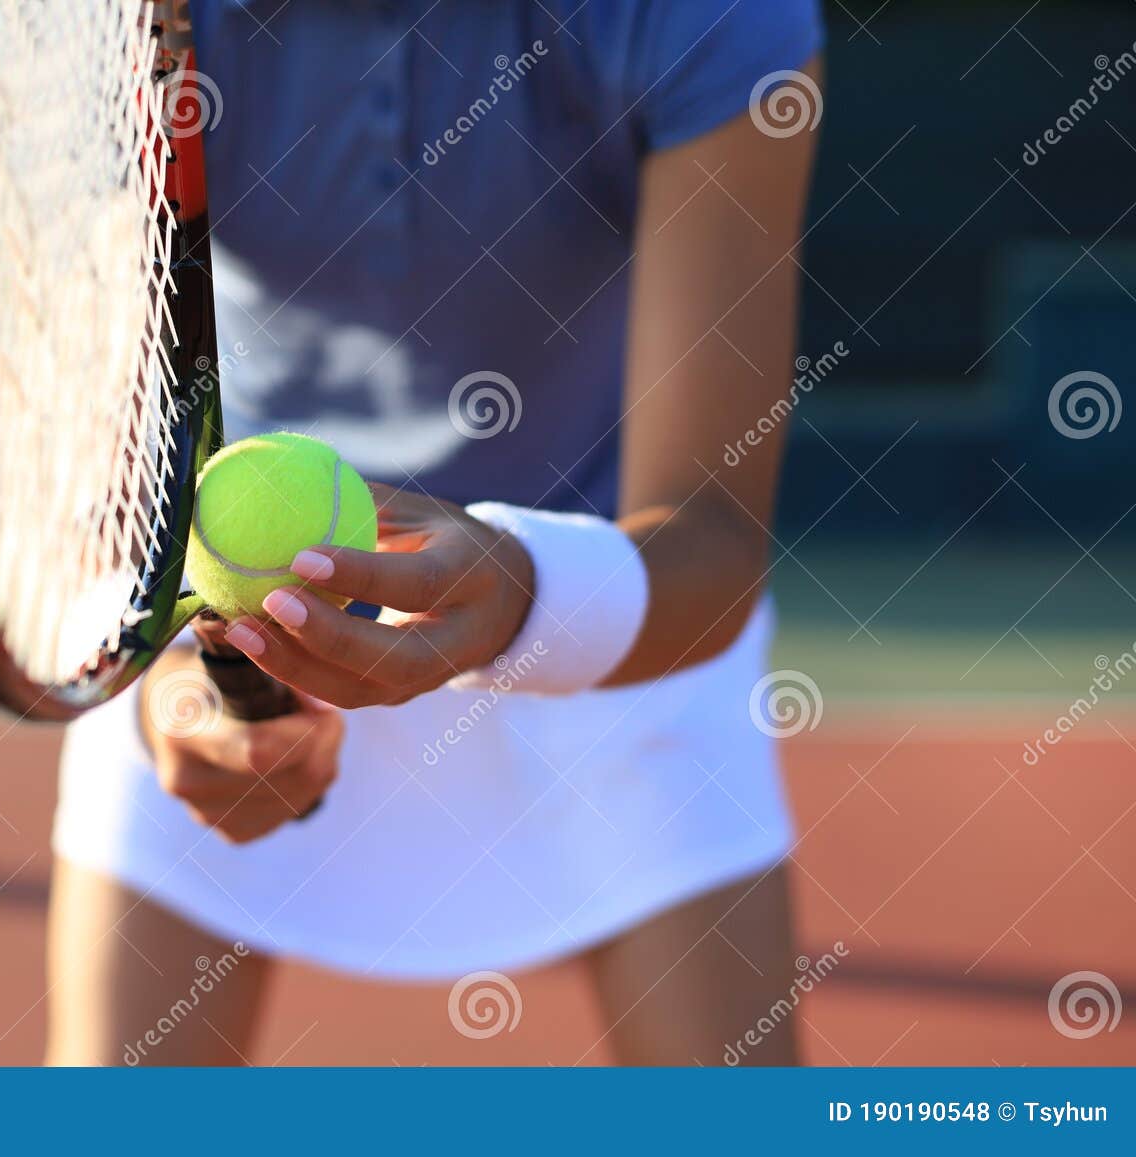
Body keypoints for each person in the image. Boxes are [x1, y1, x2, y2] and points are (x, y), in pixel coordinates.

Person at [49, 0, 823, 1065]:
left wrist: (527, 594)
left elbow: (713, 543)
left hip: (613, 614)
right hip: (217, 624)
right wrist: (177, 680)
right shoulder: (114, 20)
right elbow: (93, 484)